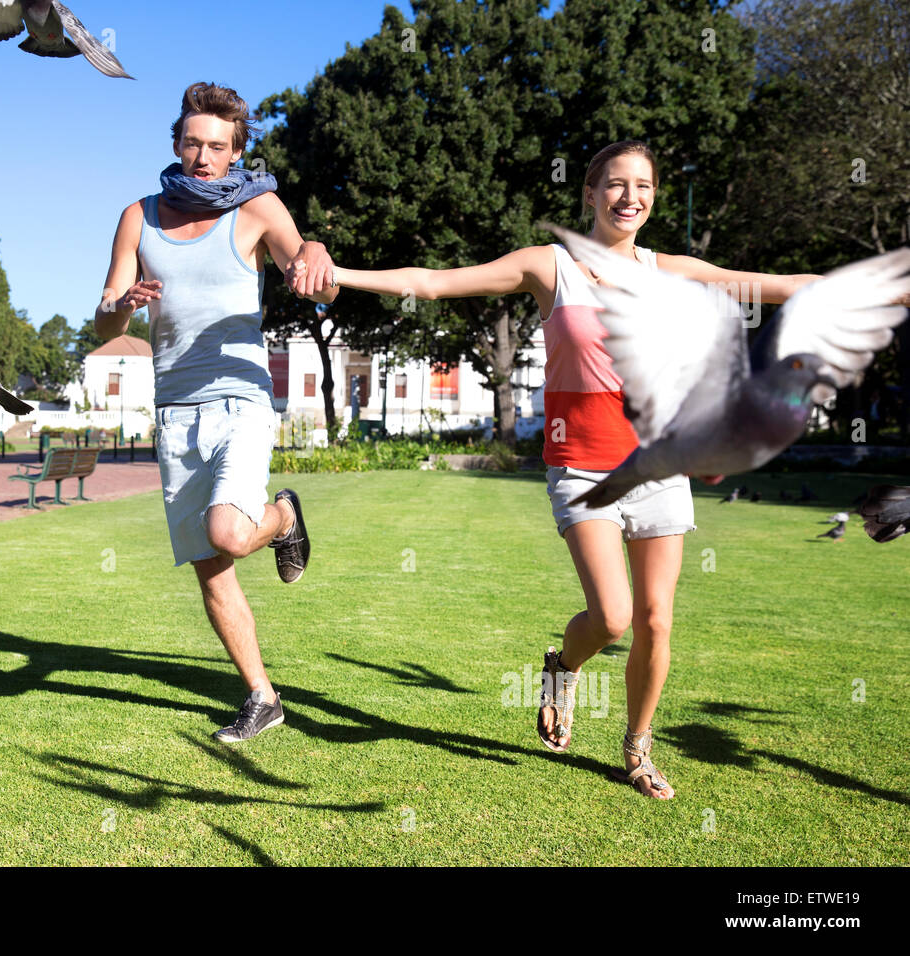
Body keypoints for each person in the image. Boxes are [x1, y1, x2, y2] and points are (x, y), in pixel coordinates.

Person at [291, 140, 826, 796]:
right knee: (614, 618)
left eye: (645, 187)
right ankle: (561, 668)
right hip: (583, 470)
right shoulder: (550, 267)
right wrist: (337, 271)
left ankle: (637, 746)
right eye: (616, 184)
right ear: (590, 195)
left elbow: (782, 287)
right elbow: (430, 282)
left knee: (658, 620)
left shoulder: (669, 271)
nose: (632, 197)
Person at [95, 82, 338, 743]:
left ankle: (284, 515)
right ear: (176, 143)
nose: (203, 157)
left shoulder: (257, 207)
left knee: (231, 531)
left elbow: (306, 268)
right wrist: (125, 304)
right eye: (192, 143)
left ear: (237, 152)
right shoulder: (138, 217)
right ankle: (263, 696)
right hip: (175, 410)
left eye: (217, 147)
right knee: (212, 562)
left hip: (241, 398)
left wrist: (315, 257)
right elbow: (104, 319)